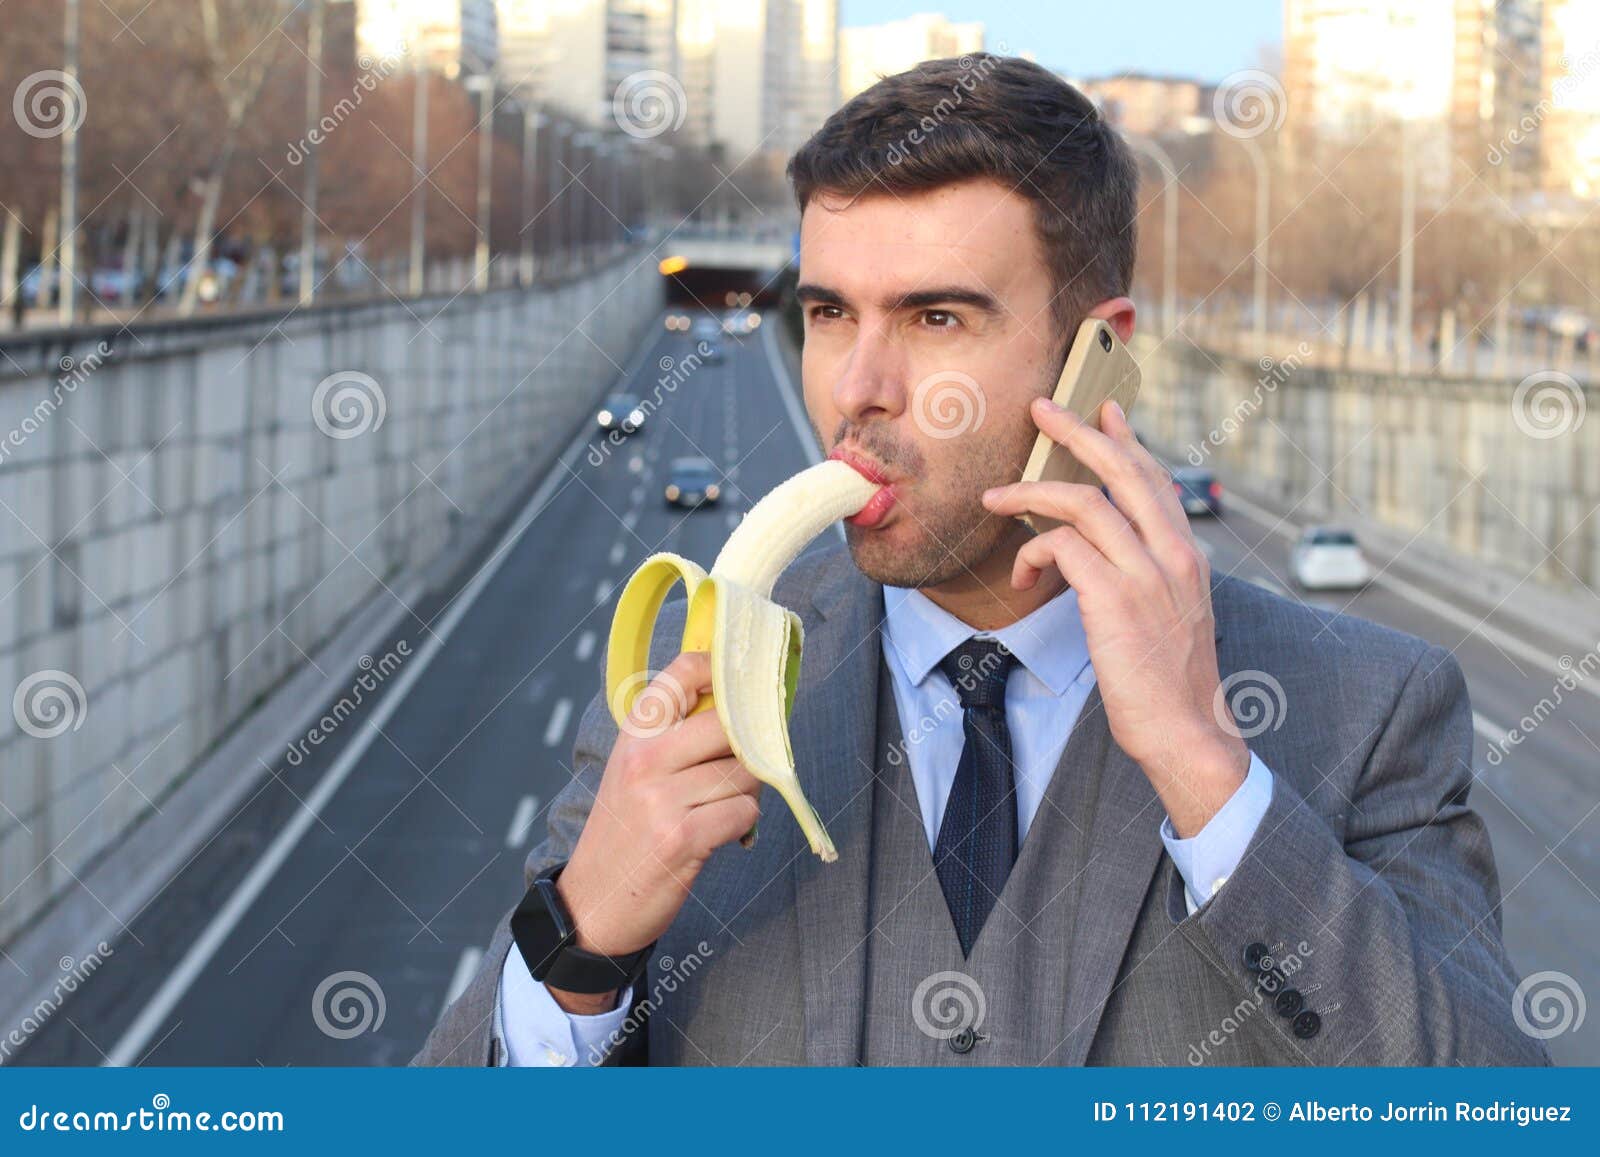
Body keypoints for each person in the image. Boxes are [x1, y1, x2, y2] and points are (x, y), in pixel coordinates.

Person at [414, 55, 1546, 1067]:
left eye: (936, 319)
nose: (859, 387)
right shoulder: (687, 681)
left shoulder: (1368, 708)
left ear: (1098, 356)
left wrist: (1210, 778)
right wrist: (582, 940)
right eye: (826, 313)